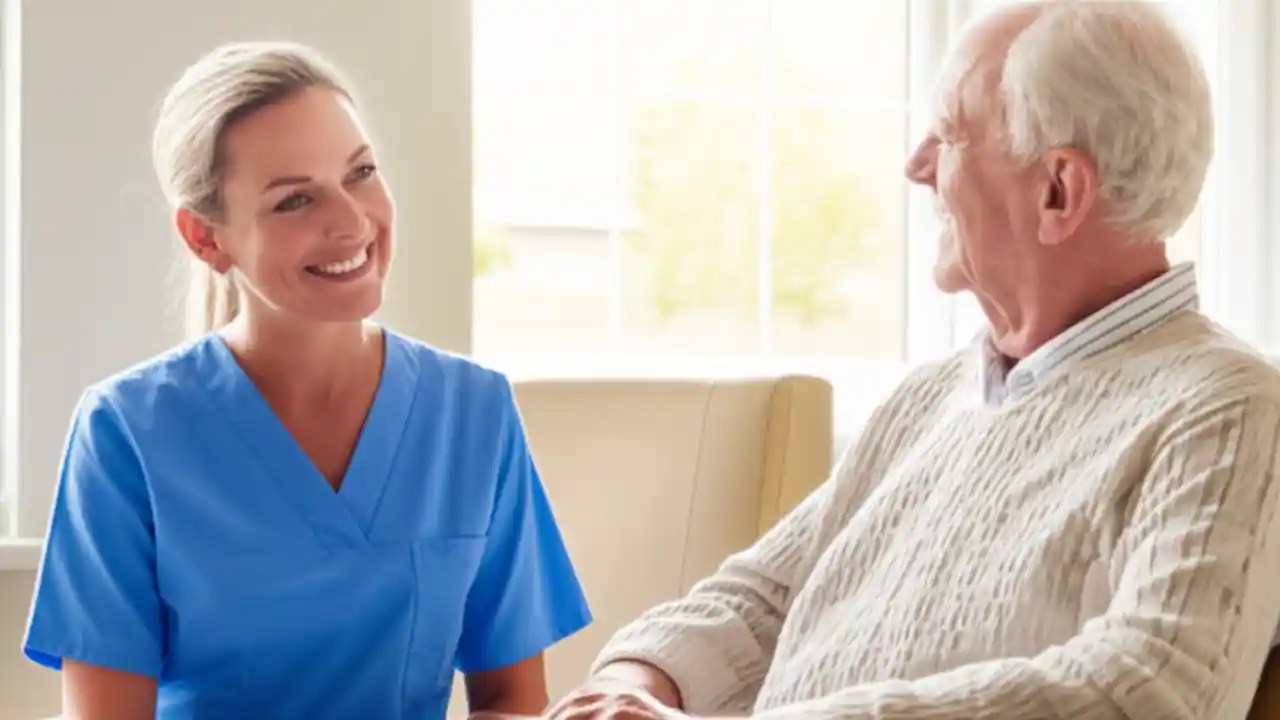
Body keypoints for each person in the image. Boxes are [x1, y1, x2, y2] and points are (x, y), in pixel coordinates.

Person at [549, 2, 1280, 719]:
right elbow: (758, 601)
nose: (917, 166)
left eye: (951, 135)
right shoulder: (932, 399)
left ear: (1059, 191)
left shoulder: (1225, 408)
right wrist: (629, 686)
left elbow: (1147, 690)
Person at [23, 41, 591, 719]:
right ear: (206, 239)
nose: (351, 221)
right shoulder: (126, 432)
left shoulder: (474, 414)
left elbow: (511, 702)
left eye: (361, 172)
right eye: (295, 200)